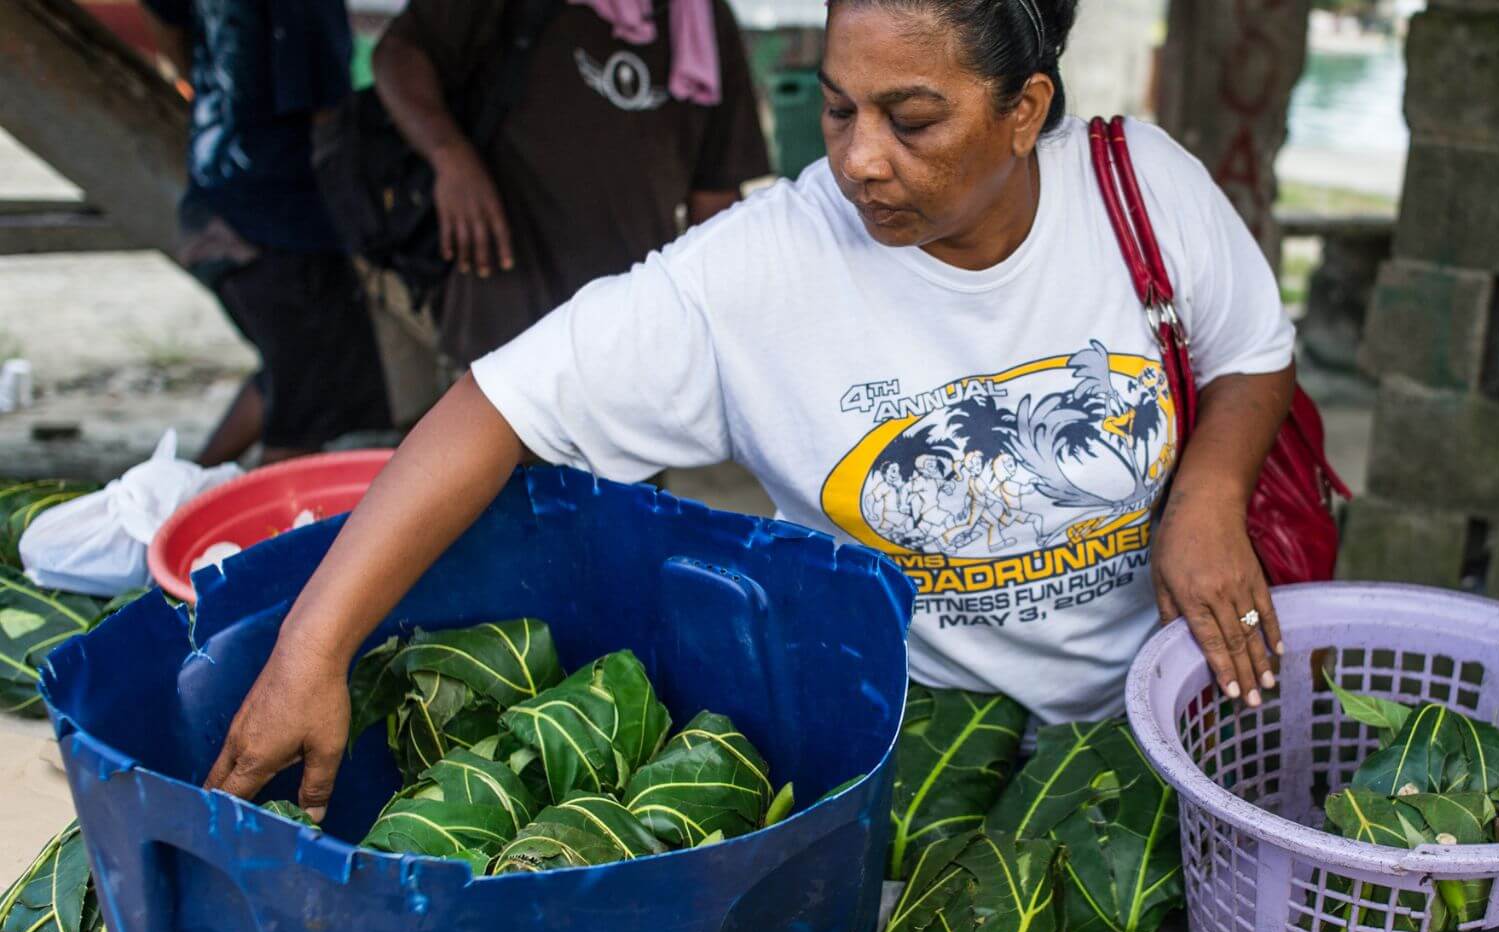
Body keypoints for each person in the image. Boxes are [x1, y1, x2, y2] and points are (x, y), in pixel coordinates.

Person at [205, 0, 1299, 823]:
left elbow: (1253, 350)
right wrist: (315, 643)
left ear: (1026, 113)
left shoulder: (1138, 189)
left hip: (1162, 716)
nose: (861, 159)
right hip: (911, 736)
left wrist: (1207, 494)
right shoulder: (762, 268)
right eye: (837, 108)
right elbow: (496, 404)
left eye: (912, 120)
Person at [371, 0, 773, 367]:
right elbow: (398, 53)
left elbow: (715, 203)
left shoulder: (704, 20)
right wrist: (450, 157)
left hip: (632, 343)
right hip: (503, 335)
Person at [143, 0, 393, 466]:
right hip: (278, 220)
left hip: (215, 199)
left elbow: (165, 18)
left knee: (293, 378)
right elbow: (327, 113)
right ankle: (250, 526)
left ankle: (183, 492)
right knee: (306, 417)